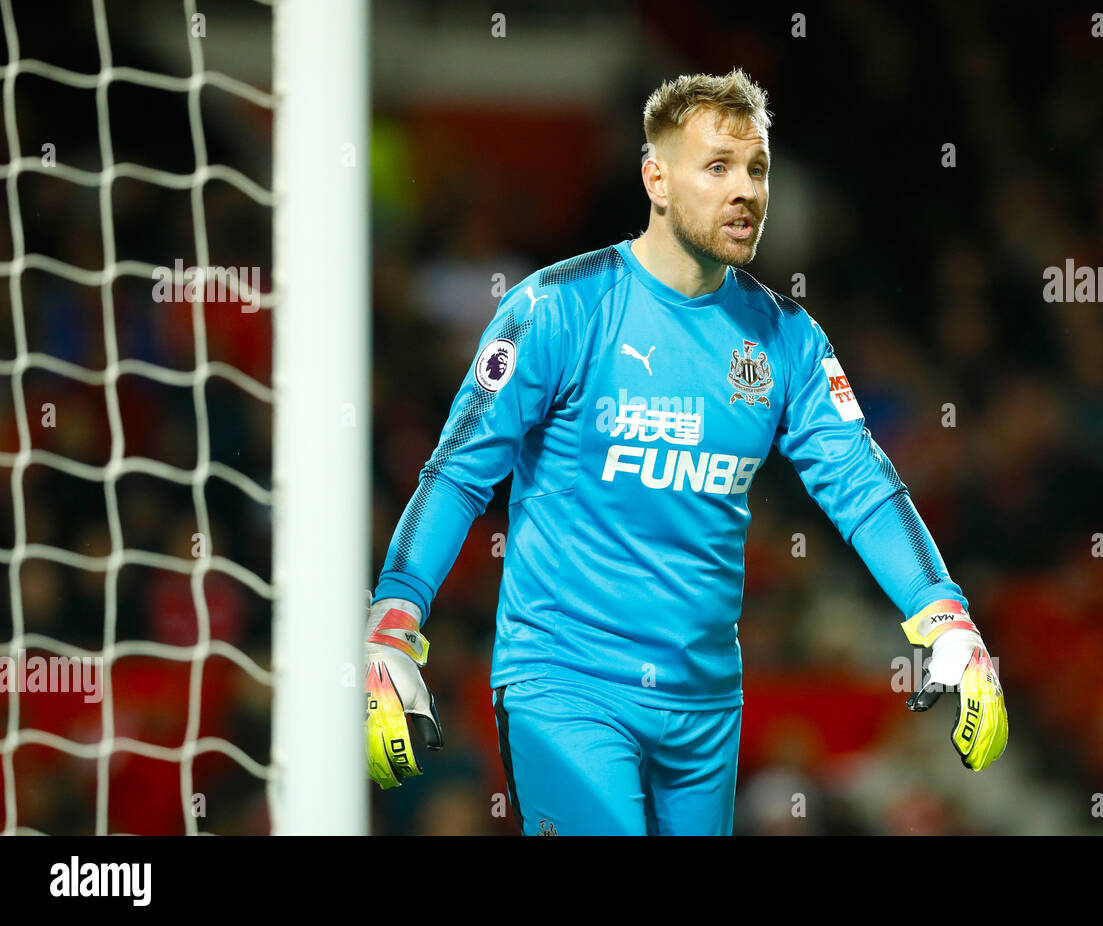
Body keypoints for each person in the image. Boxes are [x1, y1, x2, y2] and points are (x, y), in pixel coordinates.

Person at [363, 68, 1007, 836]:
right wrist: (394, 626)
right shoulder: (559, 308)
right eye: (718, 167)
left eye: (757, 168)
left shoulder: (786, 339)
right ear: (656, 178)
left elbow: (863, 485)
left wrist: (946, 619)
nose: (745, 190)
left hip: (705, 712)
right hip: (567, 689)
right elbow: (458, 473)